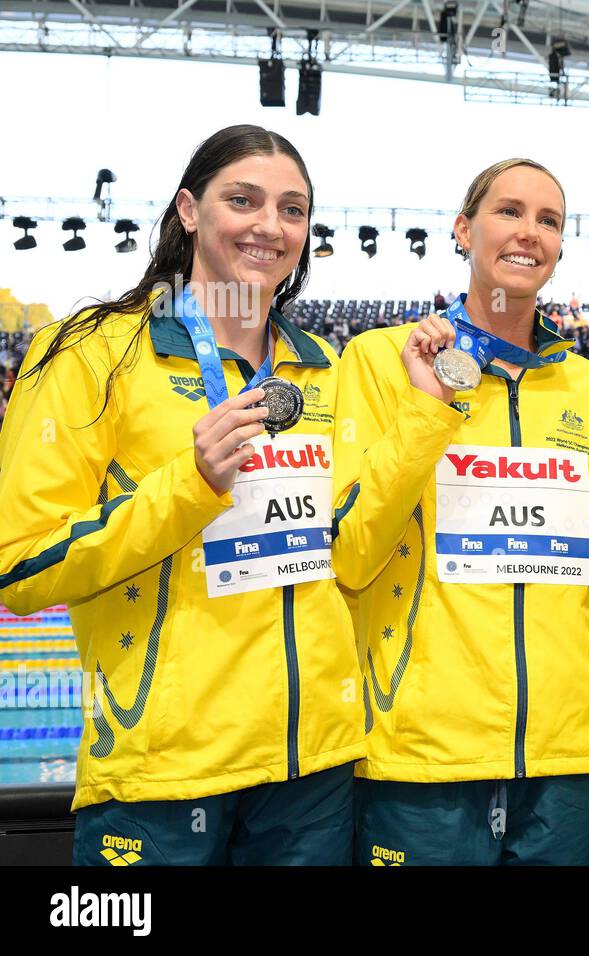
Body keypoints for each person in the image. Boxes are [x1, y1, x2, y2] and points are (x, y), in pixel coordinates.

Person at [0, 125, 364, 865]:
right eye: (244, 200)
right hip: (164, 770)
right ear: (188, 210)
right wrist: (189, 487)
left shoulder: (330, 372)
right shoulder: (92, 354)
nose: (270, 225)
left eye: (293, 209)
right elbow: (19, 563)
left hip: (313, 770)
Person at [333, 158, 589, 866]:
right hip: (423, 760)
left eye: (549, 220)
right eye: (509, 211)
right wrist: (425, 412)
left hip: (564, 762)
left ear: (561, 246)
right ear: (464, 229)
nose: (529, 232)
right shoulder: (381, 361)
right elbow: (351, 553)